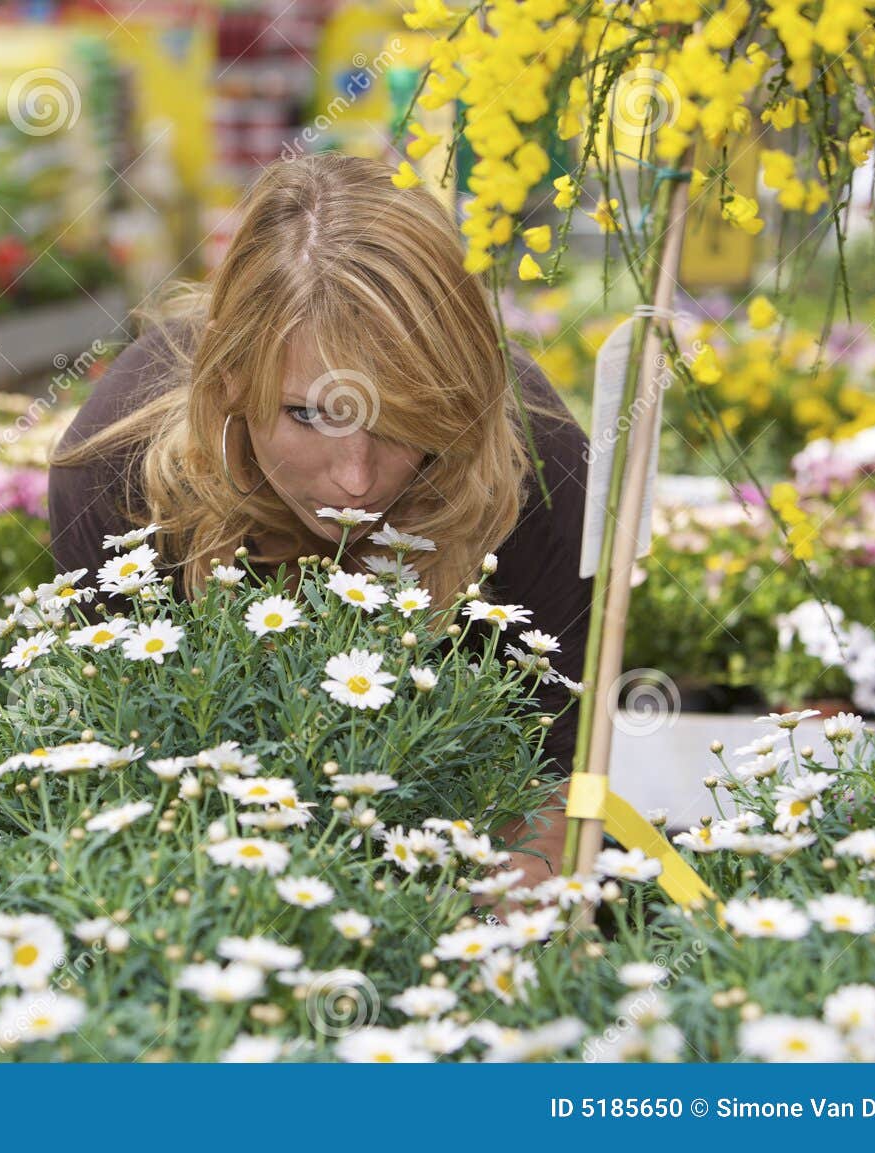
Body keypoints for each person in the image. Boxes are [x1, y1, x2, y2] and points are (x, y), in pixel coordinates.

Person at [47, 152, 593, 884]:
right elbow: (117, 793)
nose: (356, 478)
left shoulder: (540, 461)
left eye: (403, 419)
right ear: (230, 378)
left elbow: (549, 795)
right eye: (306, 414)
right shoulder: (115, 467)